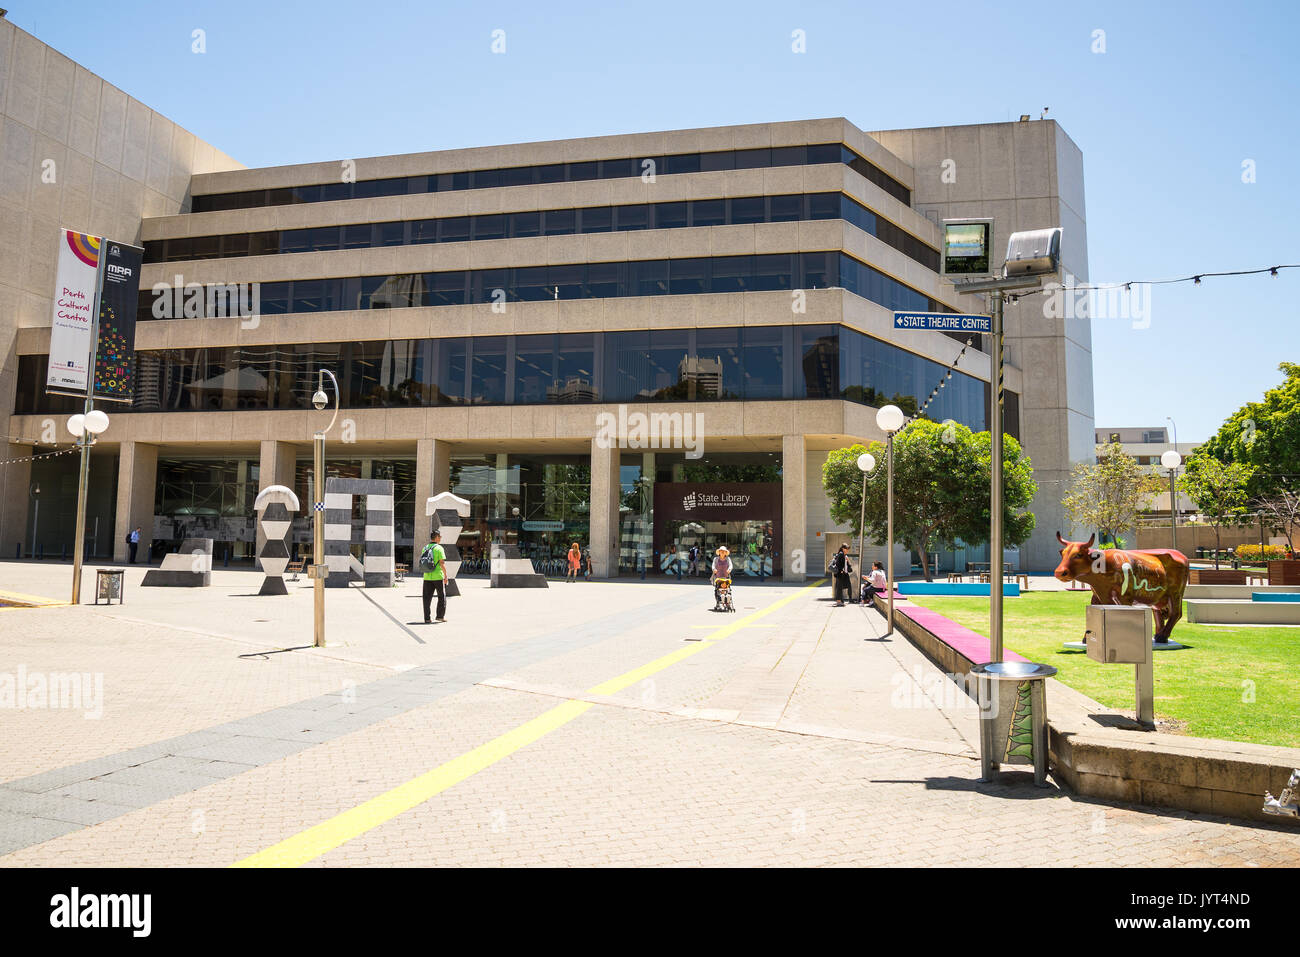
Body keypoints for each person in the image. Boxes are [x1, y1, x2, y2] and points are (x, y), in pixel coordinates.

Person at [418, 530, 447, 623]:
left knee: (426, 598)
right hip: (438, 576)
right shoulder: (439, 548)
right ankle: (440, 616)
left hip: (426, 576)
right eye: (440, 537)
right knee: (441, 597)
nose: (441, 538)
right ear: (437, 537)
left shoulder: (425, 547)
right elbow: (442, 563)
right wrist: (446, 576)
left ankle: (427, 618)